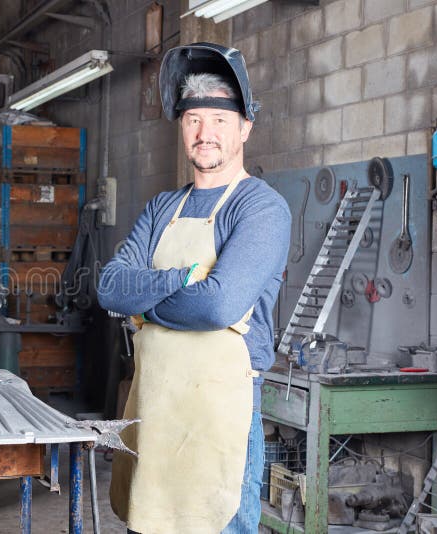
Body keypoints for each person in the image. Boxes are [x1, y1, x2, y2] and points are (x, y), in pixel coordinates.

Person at [97, 42, 291, 533]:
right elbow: (112, 288)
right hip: (154, 413)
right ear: (180, 127)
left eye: (220, 121)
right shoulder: (162, 207)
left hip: (218, 418)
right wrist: (181, 281)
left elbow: (218, 305)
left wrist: (147, 307)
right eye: (193, 119)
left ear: (245, 128)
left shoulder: (260, 209)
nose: (206, 133)